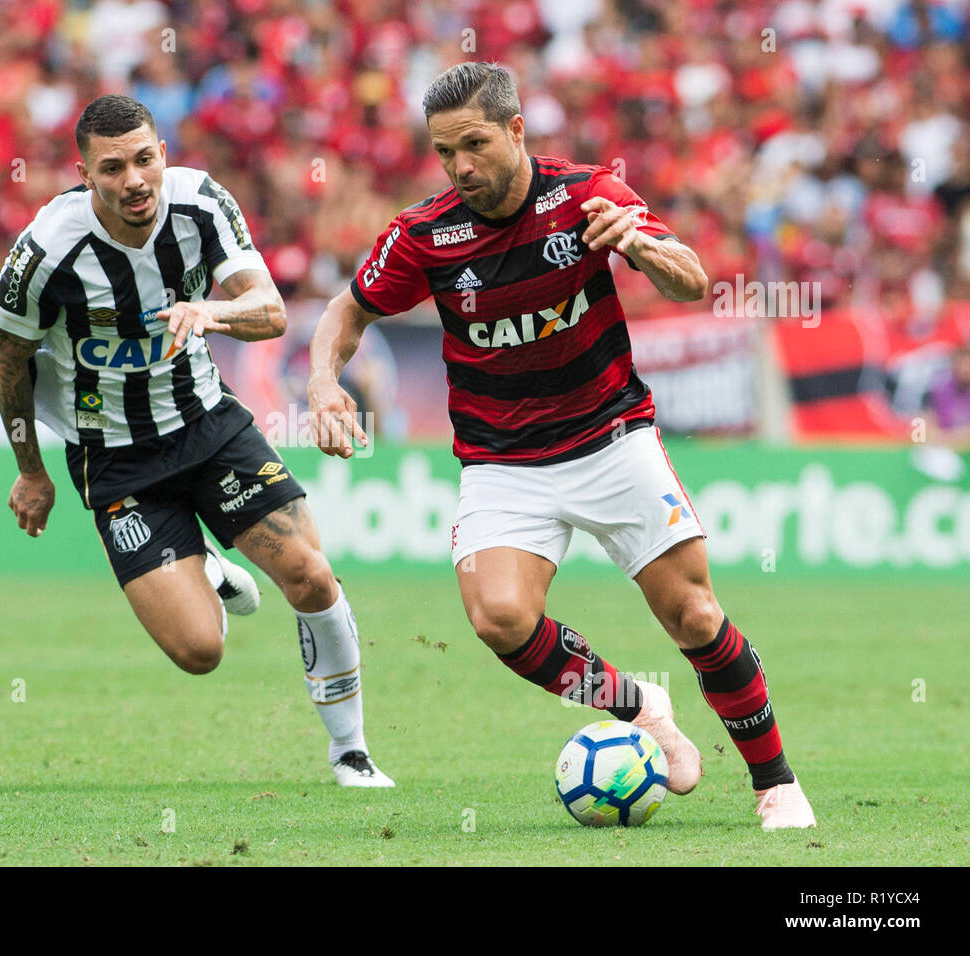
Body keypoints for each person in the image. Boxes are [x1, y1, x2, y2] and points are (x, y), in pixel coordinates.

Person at [308, 62, 814, 826]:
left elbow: (692, 279)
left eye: (474, 144)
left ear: (516, 129)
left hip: (611, 437)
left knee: (696, 617)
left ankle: (775, 783)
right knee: (500, 620)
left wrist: (639, 245)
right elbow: (346, 311)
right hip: (502, 462)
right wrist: (321, 383)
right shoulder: (424, 233)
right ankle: (637, 705)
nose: (460, 166)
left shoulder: (587, 195)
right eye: (445, 152)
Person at [0, 95, 393, 787]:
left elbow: (268, 312)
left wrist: (212, 310)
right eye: (112, 167)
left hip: (209, 425)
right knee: (199, 650)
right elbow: (7, 361)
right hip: (114, 457)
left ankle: (350, 753)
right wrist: (32, 471)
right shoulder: (45, 251)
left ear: (163, 155)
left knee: (310, 574)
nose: (134, 180)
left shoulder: (202, 203)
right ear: (84, 173)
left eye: (145, 159)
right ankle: (204, 567)